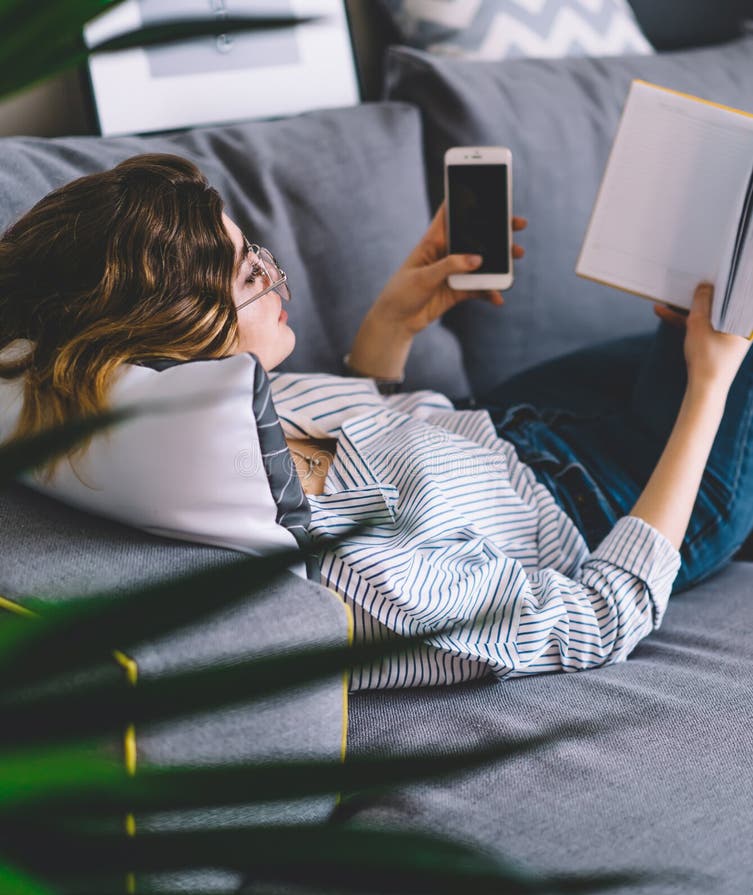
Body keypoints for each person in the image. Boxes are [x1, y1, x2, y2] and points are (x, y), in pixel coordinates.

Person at [1, 153, 751, 690]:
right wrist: (707, 389)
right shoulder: (366, 579)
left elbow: (356, 452)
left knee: (706, 290)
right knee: (732, 307)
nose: (273, 270)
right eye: (249, 275)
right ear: (172, 333)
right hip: (615, 503)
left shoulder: (219, 412)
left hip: (506, 423)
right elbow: (596, 617)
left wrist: (391, 324)